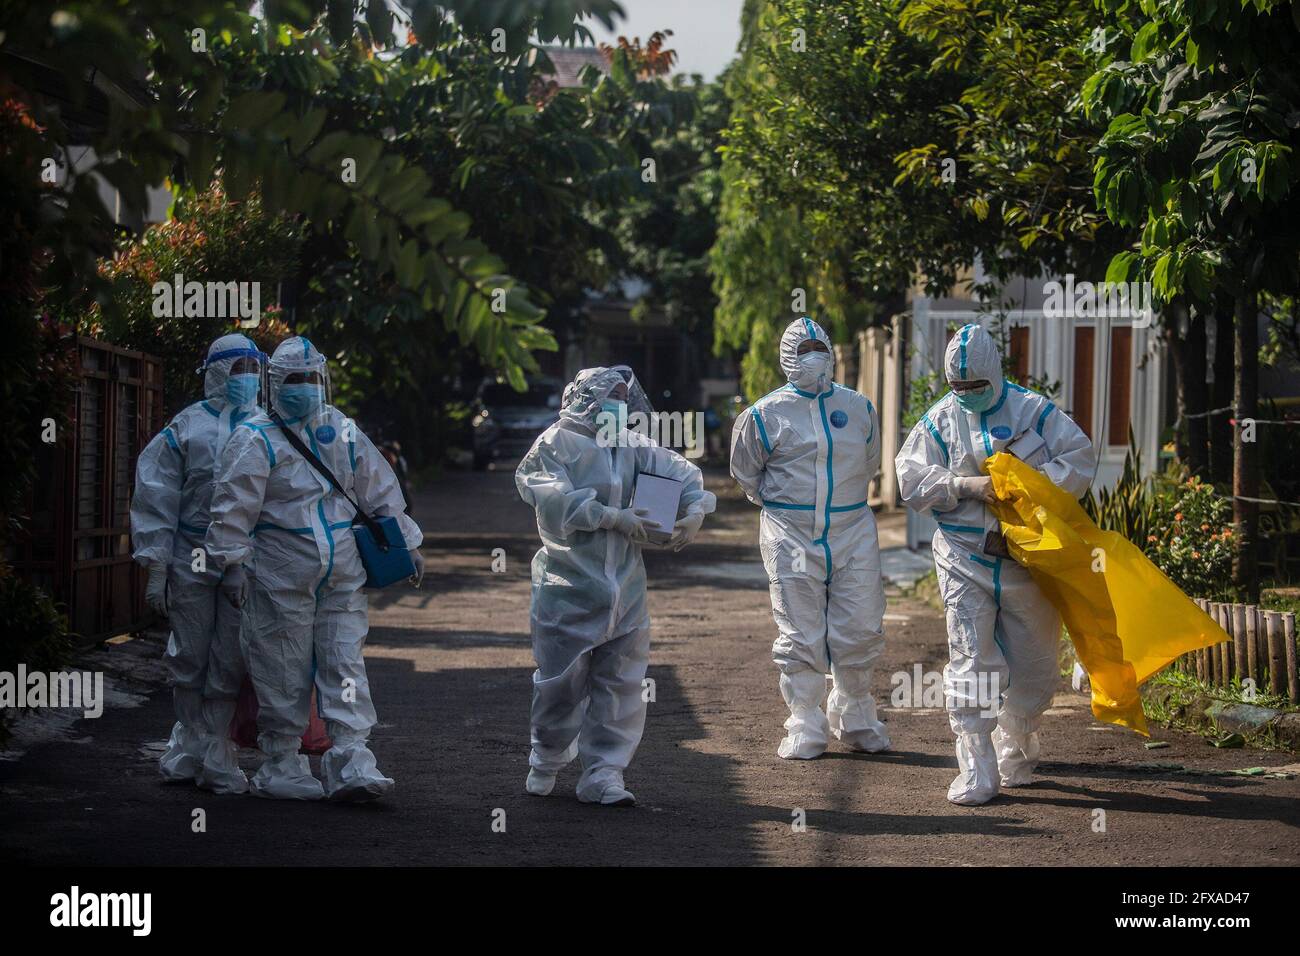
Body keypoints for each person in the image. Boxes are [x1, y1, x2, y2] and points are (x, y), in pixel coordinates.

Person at [204, 335, 424, 802]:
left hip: (342, 572)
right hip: (280, 575)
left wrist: (407, 542)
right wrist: (230, 565)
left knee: (345, 664)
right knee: (281, 667)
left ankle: (351, 758)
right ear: (276, 383)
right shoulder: (255, 437)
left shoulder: (341, 428)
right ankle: (281, 760)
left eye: (312, 379)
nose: (305, 389)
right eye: (295, 380)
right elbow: (232, 509)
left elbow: (377, 488)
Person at [895, 323, 1093, 806]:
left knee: (1036, 669)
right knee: (972, 659)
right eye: (958, 388)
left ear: (995, 375)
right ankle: (976, 763)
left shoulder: (1035, 412)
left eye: (975, 387)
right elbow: (910, 480)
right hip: (965, 557)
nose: (966, 396)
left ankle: (1017, 740)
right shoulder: (940, 421)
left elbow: (1081, 459)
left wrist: (1030, 483)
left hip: (1028, 561)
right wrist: (964, 487)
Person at [516, 367, 716, 806]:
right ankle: (545, 758)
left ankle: (604, 775)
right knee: (559, 687)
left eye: (625, 397)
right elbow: (552, 501)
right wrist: (612, 516)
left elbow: (679, 473)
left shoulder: (628, 443)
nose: (620, 405)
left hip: (625, 591)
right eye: (613, 396)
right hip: (568, 588)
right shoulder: (555, 444)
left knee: (622, 684)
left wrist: (695, 510)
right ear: (586, 397)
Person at [729, 317, 891, 760]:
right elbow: (747, 474)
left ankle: (855, 714)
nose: (815, 355)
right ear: (786, 359)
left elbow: (870, 461)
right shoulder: (763, 415)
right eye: (803, 349)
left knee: (859, 626)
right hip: (791, 532)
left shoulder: (859, 408)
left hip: (852, 530)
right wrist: (787, 508)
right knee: (800, 631)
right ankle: (804, 719)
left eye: (820, 346)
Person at [130, 332, 265, 794]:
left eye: (253, 370)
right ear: (216, 373)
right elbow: (157, 496)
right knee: (189, 653)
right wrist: (157, 564)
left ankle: (218, 750)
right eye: (237, 369)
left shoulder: (267, 428)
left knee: (230, 656)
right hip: (191, 554)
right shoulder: (186, 428)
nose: (246, 379)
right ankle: (191, 742)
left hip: (243, 561)